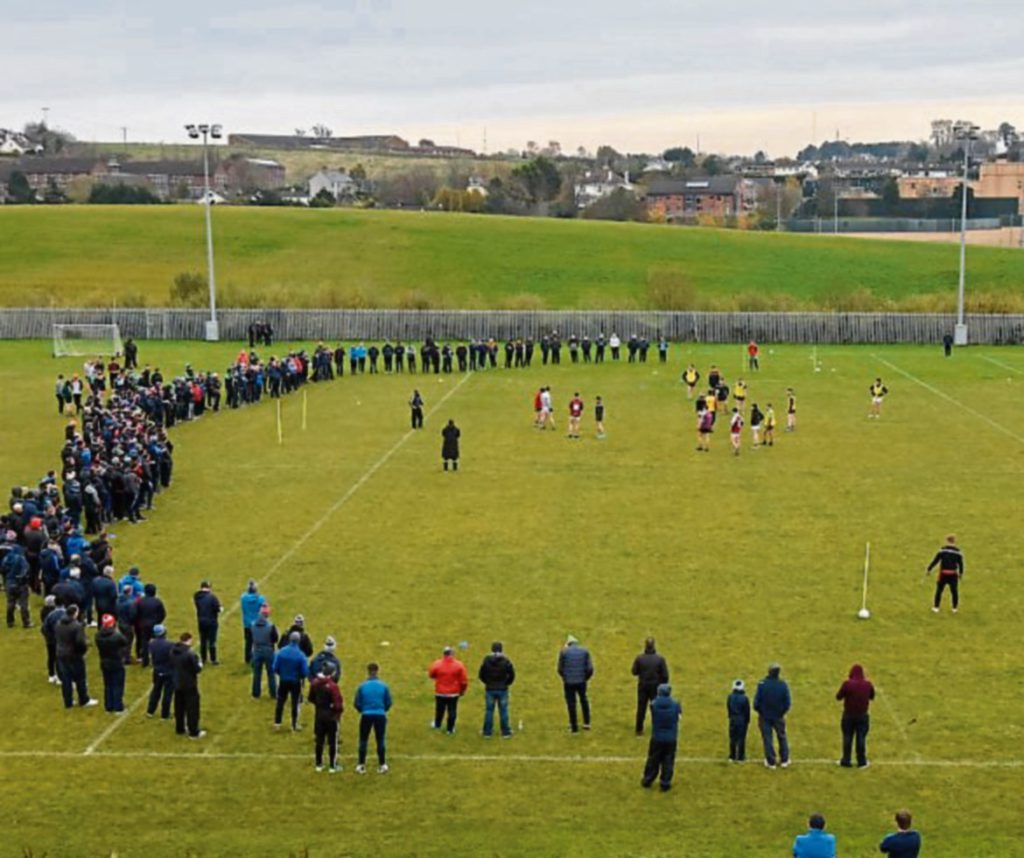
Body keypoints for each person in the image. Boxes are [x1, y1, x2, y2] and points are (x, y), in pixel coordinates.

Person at [54, 605, 97, 708]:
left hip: (61, 653)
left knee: (66, 679)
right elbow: (80, 642)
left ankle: (68, 702)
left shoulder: (58, 624)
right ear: (75, 613)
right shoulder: (76, 626)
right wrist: (83, 651)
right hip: (74, 655)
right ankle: (84, 699)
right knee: (80, 678)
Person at [641, 684, 681, 792]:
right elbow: (678, 716)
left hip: (657, 737)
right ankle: (665, 783)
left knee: (653, 759)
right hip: (671, 738)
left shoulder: (654, 704)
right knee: (668, 761)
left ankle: (648, 779)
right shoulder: (675, 704)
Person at [354, 662, 392, 774]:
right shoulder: (383, 686)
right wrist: (382, 710)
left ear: (368, 671)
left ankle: (361, 765)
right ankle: (382, 764)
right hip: (380, 715)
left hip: (366, 715)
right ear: (377, 671)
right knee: (380, 740)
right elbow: (388, 702)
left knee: (363, 740)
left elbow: (357, 703)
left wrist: (363, 710)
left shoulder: (362, 686)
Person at [836, 663, 875, 768]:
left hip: (848, 715)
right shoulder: (868, 684)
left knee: (847, 738)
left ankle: (846, 760)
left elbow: (838, 697)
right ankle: (861, 761)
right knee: (861, 738)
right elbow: (872, 696)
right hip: (862, 716)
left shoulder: (847, 684)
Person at [753, 662, 791, 769]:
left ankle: (771, 762)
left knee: (767, 738)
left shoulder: (762, 684)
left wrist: (761, 712)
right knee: (782, 736)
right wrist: (781, 712)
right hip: (778, 716)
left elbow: (756, 703)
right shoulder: (783, 685)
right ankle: (784, 759)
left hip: (765, 716)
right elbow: (787, 703)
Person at [308, 663, 344, 773]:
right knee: (332, 741)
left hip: (319, 714)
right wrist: (337, 711)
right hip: (331, 716)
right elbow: (338, 703)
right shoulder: (333, 686)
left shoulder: (315, 683)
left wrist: (319, 705)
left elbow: (311, 698)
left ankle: (319, 764)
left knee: (319, 740)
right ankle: (332, 766)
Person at [273, 631, 310, 731]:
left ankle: (277, 723)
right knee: (295, 703)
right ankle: (294, 724)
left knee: (280, 701)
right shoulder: (301, 655)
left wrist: (281, 674)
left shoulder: (281, 652)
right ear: (299, 641)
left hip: (283, 680)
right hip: (295, 681)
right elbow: (305, 671)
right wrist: (300, 677)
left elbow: (275, 667)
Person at [170, 632, 205, 739]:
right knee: (192, 708)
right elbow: (197, 669)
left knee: (179, 706)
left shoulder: (172, 651)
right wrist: (200, 664)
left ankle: (179, 728)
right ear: (189, 640)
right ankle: (193, 731)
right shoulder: (190, 654)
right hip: (189, 683)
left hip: (177, 682)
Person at [631, 637, 669, 735]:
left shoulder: (640, 658)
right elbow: (665, 675)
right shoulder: (660, 659)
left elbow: (634, 672)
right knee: (655, 707)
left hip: (643, 686)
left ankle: (639, 729)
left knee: (641, 707)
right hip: (655, 687)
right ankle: (657, 728)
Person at [428, 645, 469, 734]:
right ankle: (450, 729)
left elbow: (431, 674)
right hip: (453, 692)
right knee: (452, 710)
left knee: (439, 709)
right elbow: (464, 681)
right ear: (452, 654)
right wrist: (462, 690)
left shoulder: (437, 664)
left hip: (440, 692)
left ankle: (437, 725)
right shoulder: (459, 665)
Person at [557, 634, 594, 733]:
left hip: (568, 682)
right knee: (584, 700)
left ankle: (574, 727)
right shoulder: (584, 651)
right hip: (581, 681)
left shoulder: (563, 652)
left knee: (571, 703)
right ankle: (586, 723)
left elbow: (560, 669)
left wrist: (565, 677)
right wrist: (585, 678)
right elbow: (590, 668)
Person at [478, 641, 515, 738]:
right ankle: (506, 732)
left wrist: (487, 682)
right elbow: (512, 674)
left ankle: (487, 732)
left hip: (490, 688)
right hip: (502, 688)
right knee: (503, 711)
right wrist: (507, 683)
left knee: (489, 710)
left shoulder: (486, 660)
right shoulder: (506, 661)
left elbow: (481, 674)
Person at [95, 613, 128, 713]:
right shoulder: (116, 636)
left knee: (108, 685)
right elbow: (125, 642)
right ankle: (118, 706)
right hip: (116, 662)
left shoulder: (98, 636)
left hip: (104, 661)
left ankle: (108, 706)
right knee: (118, 685)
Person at [928, 534, 964, 614]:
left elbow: (936, 560)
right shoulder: (958, 552)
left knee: (939, 590)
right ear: (954, 541)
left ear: (947, 541)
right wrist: (961, 573)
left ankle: (936, 607)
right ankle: (954, 608)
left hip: (943, 573)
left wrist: (929, 568)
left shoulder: (942, 550)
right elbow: (961, 564)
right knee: (954, 591)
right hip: (953, 574)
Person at [146, 624, 175, 720]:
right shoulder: (170, 644)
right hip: (168, 671)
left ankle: (150, 710)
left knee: (155, 691)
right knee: (167, 693)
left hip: (157, 670)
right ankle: (165, 714)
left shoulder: (151, 643)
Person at [250, 604, 279, 699]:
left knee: (256, 673)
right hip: (268, 650)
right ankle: (273, 693)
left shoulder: (253, 625)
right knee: (271, 673)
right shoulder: (271, 626)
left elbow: (252, 637)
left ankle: (255, 693)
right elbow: (275, 639)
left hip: (257, 649)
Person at [193, 580, 222, 666]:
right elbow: (217, 609)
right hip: (211, 621)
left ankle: (203, 658)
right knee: (212, 641)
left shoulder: (197, 596)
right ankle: (213, 659)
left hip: (201, 620)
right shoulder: (212, 597)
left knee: (203, 640)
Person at [240, 579, 267, 663]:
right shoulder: (261, 599)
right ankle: (257, 658)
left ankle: (247, 658)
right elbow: (265, 610)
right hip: (257, 624)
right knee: (258, 642)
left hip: (247, 624)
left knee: (248, 642)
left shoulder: (243, 598)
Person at [727, 679, 751, 762]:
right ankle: (741, 756)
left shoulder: (730, 697)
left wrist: (730, 717)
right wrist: (747, 720)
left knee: (733, 738)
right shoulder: (744, 698)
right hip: (742, 720)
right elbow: (747, 711)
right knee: (741, 738)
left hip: (733, 719)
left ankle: (732, 756)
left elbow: (729, 708)